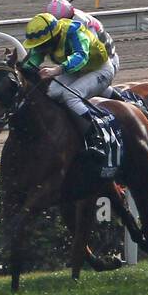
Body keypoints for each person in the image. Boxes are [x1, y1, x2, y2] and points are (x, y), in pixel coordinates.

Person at [21, 12, 119, 177]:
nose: (42, 48)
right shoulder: (48, 39)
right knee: (52, 93)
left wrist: (56, 70)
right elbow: (31, 62)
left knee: (70, 96)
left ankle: (97, 136)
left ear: (54, 36)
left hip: (100, 69)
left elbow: (81, 56)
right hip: (78, 70)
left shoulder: (74, 32)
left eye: (45, 44)